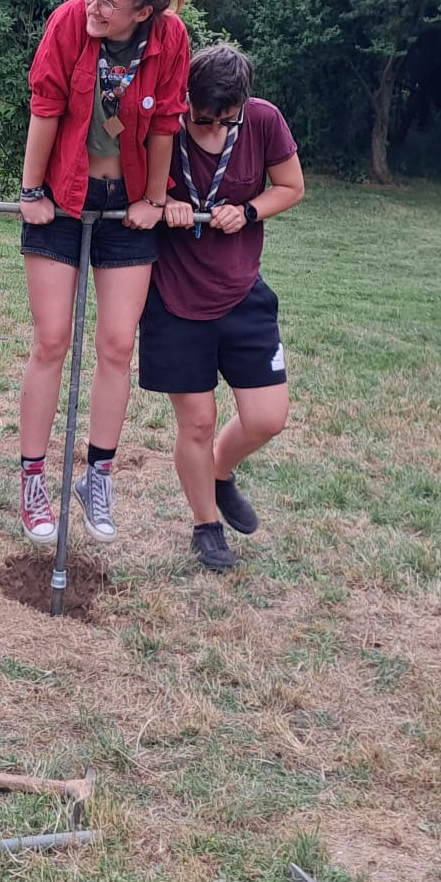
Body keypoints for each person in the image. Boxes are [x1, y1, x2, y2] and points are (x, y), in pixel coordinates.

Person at [18, 0, 199, 545]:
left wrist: (152, 199)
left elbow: (166, 122)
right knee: (51, 341)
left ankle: (98, 475)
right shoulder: (70, 21)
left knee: (118, 345)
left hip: (126, 208)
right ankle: (33, 480)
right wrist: (31, 192)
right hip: (61, 198)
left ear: (143, 12)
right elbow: (45, 108)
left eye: (108, 1)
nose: (92, 4)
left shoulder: (170, 42)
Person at [138, 41, 304, 572]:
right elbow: (139, 191)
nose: (209, 127)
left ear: (242, 106)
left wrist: (250, 211)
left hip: (241, 292)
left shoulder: (263, 121)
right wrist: (165, 201)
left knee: (267, 418)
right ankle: (206, 527)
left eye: (220, 119)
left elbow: (291, 187)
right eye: (201, 116)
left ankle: (219, 473)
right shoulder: (167, 120)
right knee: (197, 422)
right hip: (175, 298)